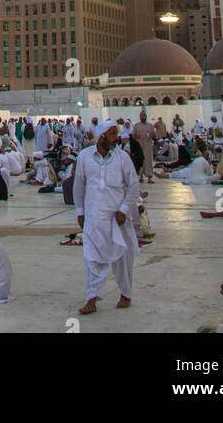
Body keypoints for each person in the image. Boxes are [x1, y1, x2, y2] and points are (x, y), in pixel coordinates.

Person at [74, 120, 139, 315]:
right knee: (92, 259)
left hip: (117, 218)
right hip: (94, 217)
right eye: (112, 134)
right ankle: (92, 298)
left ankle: (126, 294)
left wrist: (124, 209)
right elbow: (78, 185)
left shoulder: (122, 158)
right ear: (101, 136)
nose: (116, 138)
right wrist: (80, 211)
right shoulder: (85, 156)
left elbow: (133, 186)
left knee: (123, 259)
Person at [132, 110, 156, 183]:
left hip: (148, 146)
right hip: (139, 146)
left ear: (146, 116)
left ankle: (149, 177)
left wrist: (151, 134)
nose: (143, 117)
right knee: (140, 161)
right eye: (141, 116)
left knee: (148, 160)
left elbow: (154, 135)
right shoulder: (136, 125)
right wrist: (136, 136)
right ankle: (140, 176)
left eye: (144, 115)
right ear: (139, 117)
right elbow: (133, 136)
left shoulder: (150, 125)